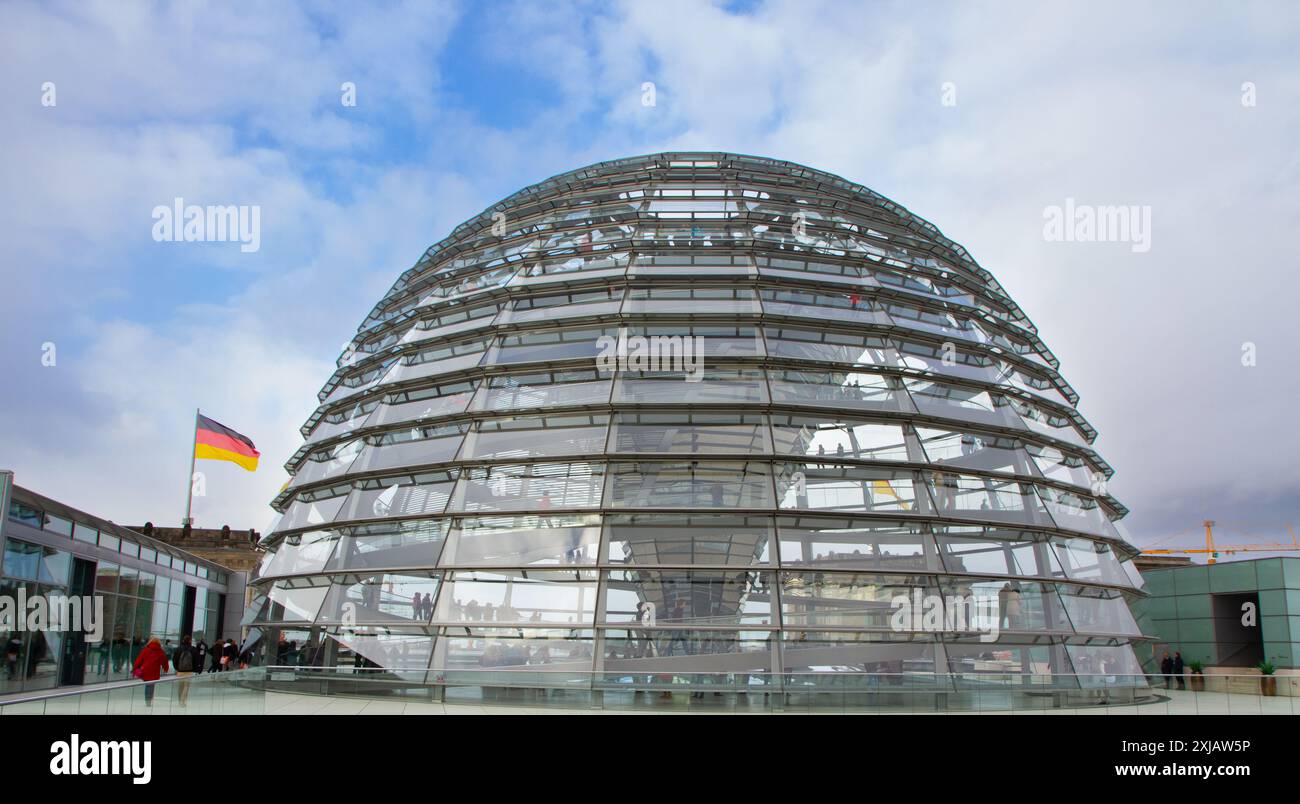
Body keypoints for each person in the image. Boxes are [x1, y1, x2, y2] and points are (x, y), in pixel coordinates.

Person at [132, 637, 169, 707]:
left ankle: (147, 700)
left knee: (148, 685)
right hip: (154, 671)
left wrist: (134, 668)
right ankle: (149, 699)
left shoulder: (145, 650)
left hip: (145, 670)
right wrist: (165, 668)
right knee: (151, 685)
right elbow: (164, 661)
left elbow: (139, 660)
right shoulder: (160, 651)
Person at [171, 635, 199, 707]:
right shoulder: (193, 649)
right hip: (189, 671)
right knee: (186, 686)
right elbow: (196, 660)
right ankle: (182, 702)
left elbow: (174, 660)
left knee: (180, 686)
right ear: (190, 641)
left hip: (180, 671)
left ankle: (179, 700)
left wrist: (177, 668)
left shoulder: (178, 649)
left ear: (183, 640)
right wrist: (194, 669)